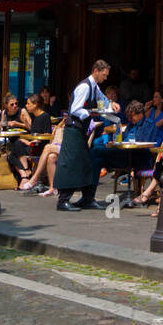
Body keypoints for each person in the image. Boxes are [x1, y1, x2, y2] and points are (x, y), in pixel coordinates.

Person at [53, 59, 118, 212]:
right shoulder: (84, 87)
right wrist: (93, 113)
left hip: (80, 130)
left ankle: (87, 199)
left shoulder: (94, 87)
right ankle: (63, 201)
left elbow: (102, 98)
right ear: (96, 71)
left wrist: (111, 104)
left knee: (87, 164)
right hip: (73, 130)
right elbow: (75, 109)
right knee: (70, 164)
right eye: (104, 74)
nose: (105, 78)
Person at [16, 95, 52, 190]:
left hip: (39, 146)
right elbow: (33, 131)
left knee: (16, 148)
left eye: (28, 103)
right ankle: (27, 173)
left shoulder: (45, 116)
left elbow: (47, 134)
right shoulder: (35, 117)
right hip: (32, 144)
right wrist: (25, 123)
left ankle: (27, 175)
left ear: (35, 104)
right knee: (14, 149)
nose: (26, 106)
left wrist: (29, 143)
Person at [23, 117, 65, 196]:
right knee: (51, 157)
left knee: (47, 147)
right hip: (58, 148)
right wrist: (61, 124)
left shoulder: (77, 123)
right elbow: (53, 136)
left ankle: (35, 178)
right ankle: (53, 188)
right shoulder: (62, 124)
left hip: (69, 149)